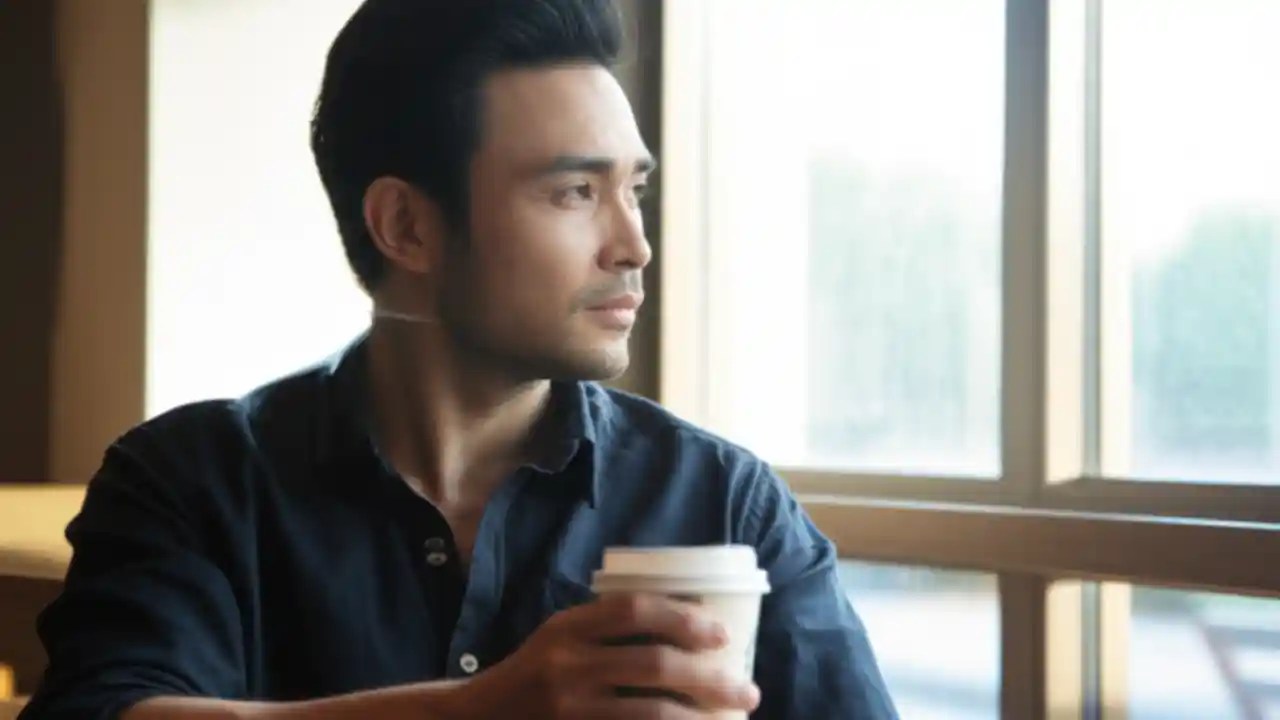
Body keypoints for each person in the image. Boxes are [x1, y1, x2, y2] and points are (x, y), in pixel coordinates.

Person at [20, 1, 897, 718]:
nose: (634, 245)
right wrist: (487, 710)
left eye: (635, 190)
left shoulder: (723, 505)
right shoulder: (192, 482)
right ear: (406, 226)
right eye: (574, 192)